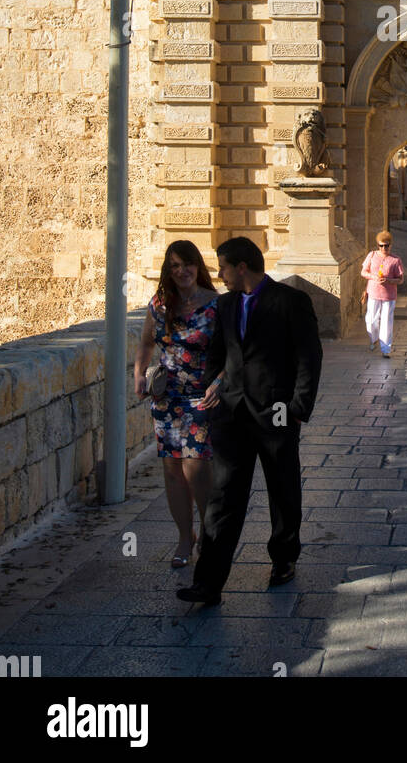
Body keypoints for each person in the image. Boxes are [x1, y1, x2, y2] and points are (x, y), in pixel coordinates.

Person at [175, 237, 323, 606]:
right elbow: (218, 353)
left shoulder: (290, 301)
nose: (219, 275)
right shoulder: (224, 305)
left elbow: (308, 357)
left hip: (275, 412)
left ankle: (284, 558)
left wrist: (297, 408)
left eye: (223, 267)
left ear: (242, 266)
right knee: (223, 496)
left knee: (282, 488)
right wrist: (213, 387)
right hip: (232, 414)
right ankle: (208, 582)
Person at [134, 241, 220, 568]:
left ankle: (210, 534)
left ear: (198, 266)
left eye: (187, 264)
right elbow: (144, 343)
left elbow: (231, 351)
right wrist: (138, 376)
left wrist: (220, 382)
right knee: (172, 468)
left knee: (196, 465)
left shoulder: (215, 305)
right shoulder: (160, 304)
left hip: (202, 394)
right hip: (166, 396)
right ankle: (186, 537)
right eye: (174, 267)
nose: (182, 271)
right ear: (168, 272)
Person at [361, 230, 404, 358]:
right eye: (381, 245)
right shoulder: (372, 255)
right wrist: (373, 277)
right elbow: (363, 272)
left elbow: (401, 279)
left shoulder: (395, 260)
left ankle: (385, 348)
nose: (384, 248)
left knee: (386, 321)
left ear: (390, 245)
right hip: (373, 292)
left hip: (389, 295)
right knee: (371, 319)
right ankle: (374, 338)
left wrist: (389, 280)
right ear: (378, 245)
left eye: (386, 245)